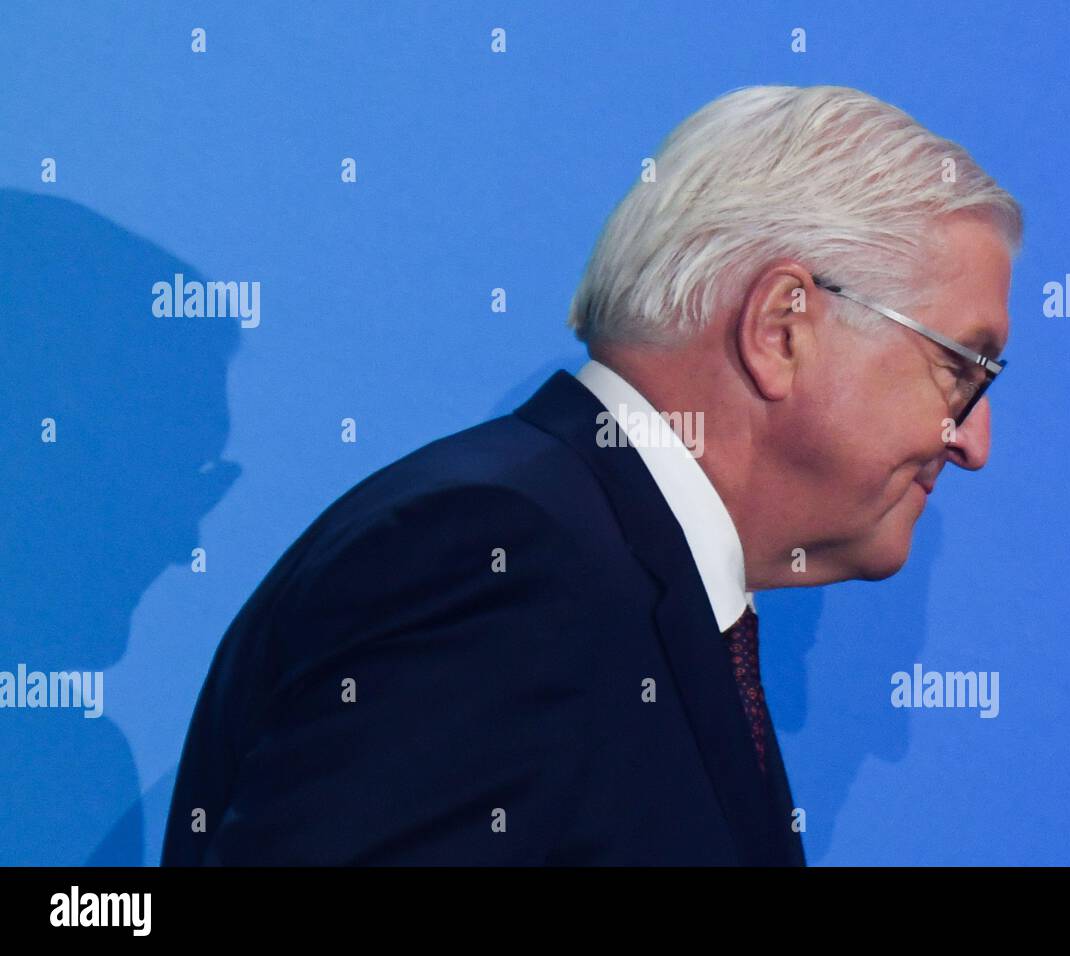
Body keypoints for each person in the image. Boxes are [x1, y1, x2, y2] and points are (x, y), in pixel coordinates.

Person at [162, 84, 1023, 866]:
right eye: (962, 367)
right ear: (780, 328)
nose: (975, 441)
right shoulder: (505, 564)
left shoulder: (600, 569)